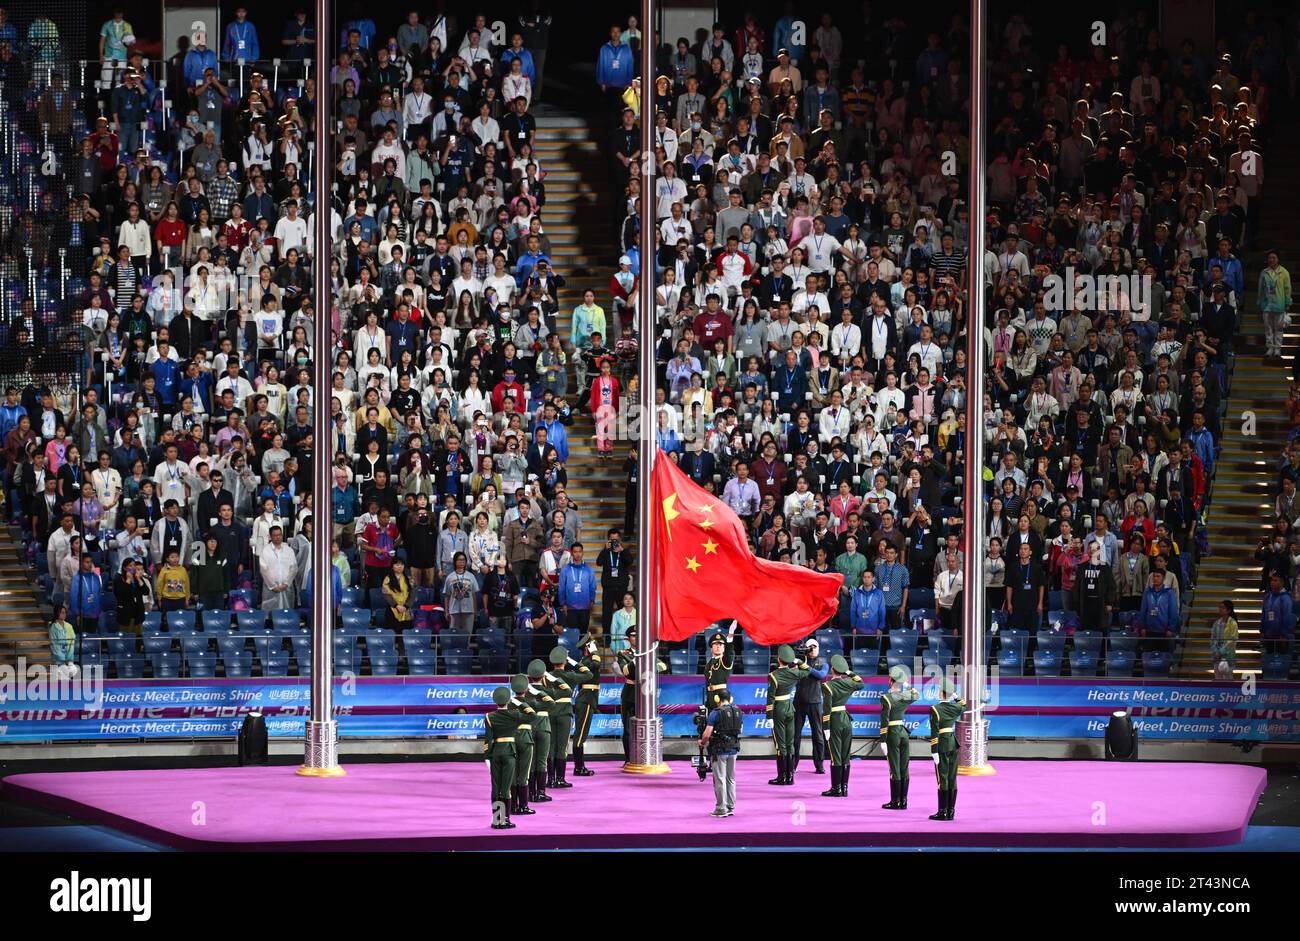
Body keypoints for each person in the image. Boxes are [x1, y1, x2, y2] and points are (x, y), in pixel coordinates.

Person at [615, 624, 665, 764]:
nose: (636, 638)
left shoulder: (649, 652)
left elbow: (663, 666)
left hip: (646, 692)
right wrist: (638, 657)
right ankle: (628, 759)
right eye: (633, 636)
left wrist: (650, 666)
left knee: (648, 725)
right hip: (630, 692)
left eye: (638, 636)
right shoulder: (623, 653)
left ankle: (646, 757)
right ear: (628, 638)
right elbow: (627, 672)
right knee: (628, 728)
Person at [819, 654, 864, 797]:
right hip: (846, 719)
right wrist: (849, 672)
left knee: (836, 756)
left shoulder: (827, 686)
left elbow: (826, 709)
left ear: (832, 669)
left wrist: (825, 727)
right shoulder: (849, 683)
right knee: (846, 755)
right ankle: (844, 787)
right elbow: (860, 683)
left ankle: (835, 788)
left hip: (834, 721)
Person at [766, 644, 810, 785]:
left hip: (778, 709)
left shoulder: (773, 676)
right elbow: (808, 670)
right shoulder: (794, 672)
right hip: (789, 707)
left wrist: (769, 716)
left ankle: (781, 777)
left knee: (781, 745)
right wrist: (798, 661)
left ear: (779, 659)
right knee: (790, 743)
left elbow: (770, 698)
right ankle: (790, 777)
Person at [879, 664, 920, 809]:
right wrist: (907, 685)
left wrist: (882, 740)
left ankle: (895, 801)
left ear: (890, 681)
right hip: (903, 732)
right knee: (904, 768)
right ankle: (904, 801)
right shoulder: (905, 695)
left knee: (895, 768)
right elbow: (916, 694)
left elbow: (884, 721)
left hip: (892, 733)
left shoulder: (886, 698)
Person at [543, 645, 584, 788]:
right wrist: (574, 662)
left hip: (550, 711)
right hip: (565, 713)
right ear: (565, 661)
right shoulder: (570, 675)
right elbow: (589, 675)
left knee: (550, 747)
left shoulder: (546, 677)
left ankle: (551, 779)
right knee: (562, 747)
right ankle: (560, 778)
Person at [699, 687, 742, 817]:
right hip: (734, 749)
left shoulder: (715, 713)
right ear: (731, 699)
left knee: (720, 779)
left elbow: (707, 733)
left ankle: (721, 808)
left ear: (717, 699)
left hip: (719, 750)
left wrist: (702, 742)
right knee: (731, 778)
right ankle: (730, 806)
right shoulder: (738, 711)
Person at [928, 678, 966, 820]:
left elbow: (934, 732)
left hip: (942, 745)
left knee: (942, 779)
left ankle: (942, 811)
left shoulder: (935, 709)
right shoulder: (956, 708)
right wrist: (956, 697)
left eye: (939, 690)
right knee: (952, 777)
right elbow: (964, 705)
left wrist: (934, 750)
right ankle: (951, 811)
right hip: (952, 743)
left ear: (942, 693)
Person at [483, 686, 521, 829]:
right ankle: (504, 819)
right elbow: (532, 716)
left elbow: (487, 740)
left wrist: (487, 757)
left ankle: (496, 819)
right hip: (509, 752)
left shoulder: (489, 716)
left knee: (496, 788)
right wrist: (519, 703)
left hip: (495, 753)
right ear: (508, 700)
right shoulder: (514, 715)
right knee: (506, 788)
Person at [791, 636, 829, 775]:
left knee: (818, 735)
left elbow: (821, 675)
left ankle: (819, 765)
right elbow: (790, 669)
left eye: (815, 647)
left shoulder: (823, 663)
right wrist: (796, 660)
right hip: (799, 703)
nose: (813, 650)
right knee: (795, 735)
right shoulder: (800, 662)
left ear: (819, 649)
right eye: (810, 647)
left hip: (815, 703)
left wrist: (803, 665)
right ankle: (793, 765)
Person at [570, 633, 603, 775]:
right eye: (592, 644)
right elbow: (597, 663)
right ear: (587, 647)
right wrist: (594, 651)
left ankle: (580, 766)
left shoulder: (585, 660)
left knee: (581, 734)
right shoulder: (587, 661)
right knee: (580, 735)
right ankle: (578, 767)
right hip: (586, 699)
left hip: (588, 698)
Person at [522, 661, 554, 805]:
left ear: (529, 676)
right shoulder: (549, 691)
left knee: (530, 762)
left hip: (530, 727)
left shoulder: (525, 692)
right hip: (544, 727)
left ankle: (531, 793)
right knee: (541, 761)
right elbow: (553, 706)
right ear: (543, 675)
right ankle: (541, 792)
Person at [507, 674, 538, 817]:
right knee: (524, 774)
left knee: (513, 773)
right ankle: (523, 806)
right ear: (526, 688)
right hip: (525, 738)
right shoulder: (530, 701)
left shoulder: (507, 702)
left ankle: (513, 806)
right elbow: (549, 703)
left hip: (512, 738)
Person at [703, 621, 738, 707]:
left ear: (724, 648)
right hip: (710, 697)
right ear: (711, 648)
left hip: (721, 696)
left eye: (720, 645)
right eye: (715, 644)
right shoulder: (709, 664)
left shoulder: (725, 660)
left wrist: (730, 634)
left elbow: (729, 652)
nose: (718, 646)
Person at [49, 604, 77, 673]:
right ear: (57, 613)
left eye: (65, 613)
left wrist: (69, 659)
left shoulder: (69, 626)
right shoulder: (53, 628)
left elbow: (72, 643)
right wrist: (64, 660)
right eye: (62, 612)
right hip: (58, 660)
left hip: (69, 659)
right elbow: (55, 647)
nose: (64, 614)